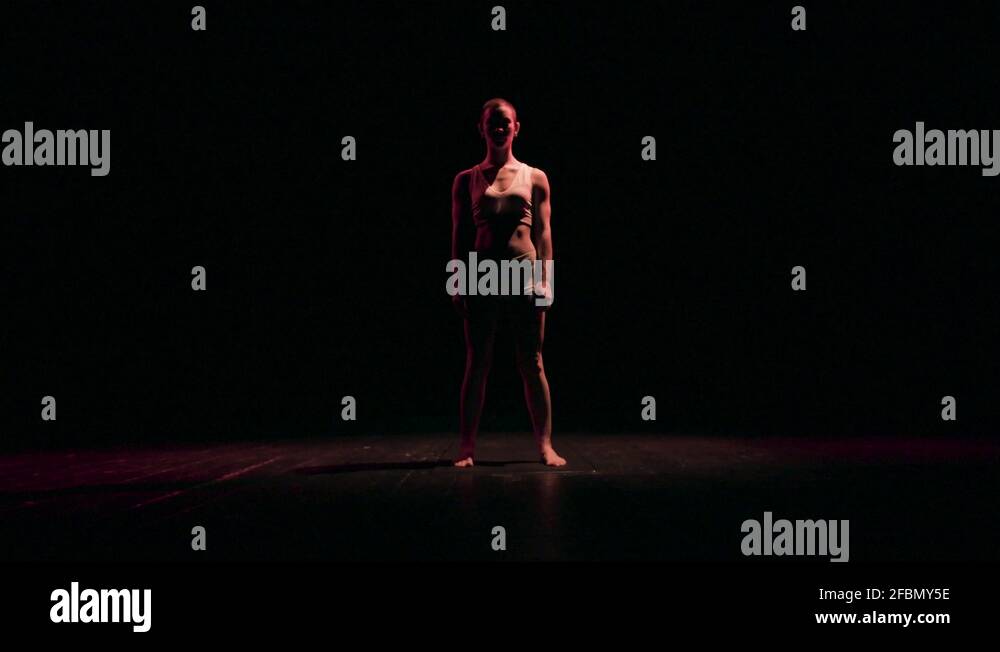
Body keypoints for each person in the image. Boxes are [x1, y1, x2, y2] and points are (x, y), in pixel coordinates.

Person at [450, 98, 566, 467]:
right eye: (492, 123)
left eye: (505, 122)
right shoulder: (466, 179)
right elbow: (459, 234)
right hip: (483, 272)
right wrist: (457, 279)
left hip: (524, 271)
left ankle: (545, 446)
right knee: (477, 361)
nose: (499, 128)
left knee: (531, 360)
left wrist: (546, 280)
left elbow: (545, 232)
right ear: (481, 128)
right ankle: (467, 449)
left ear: (517, 127)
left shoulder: (535, 176)